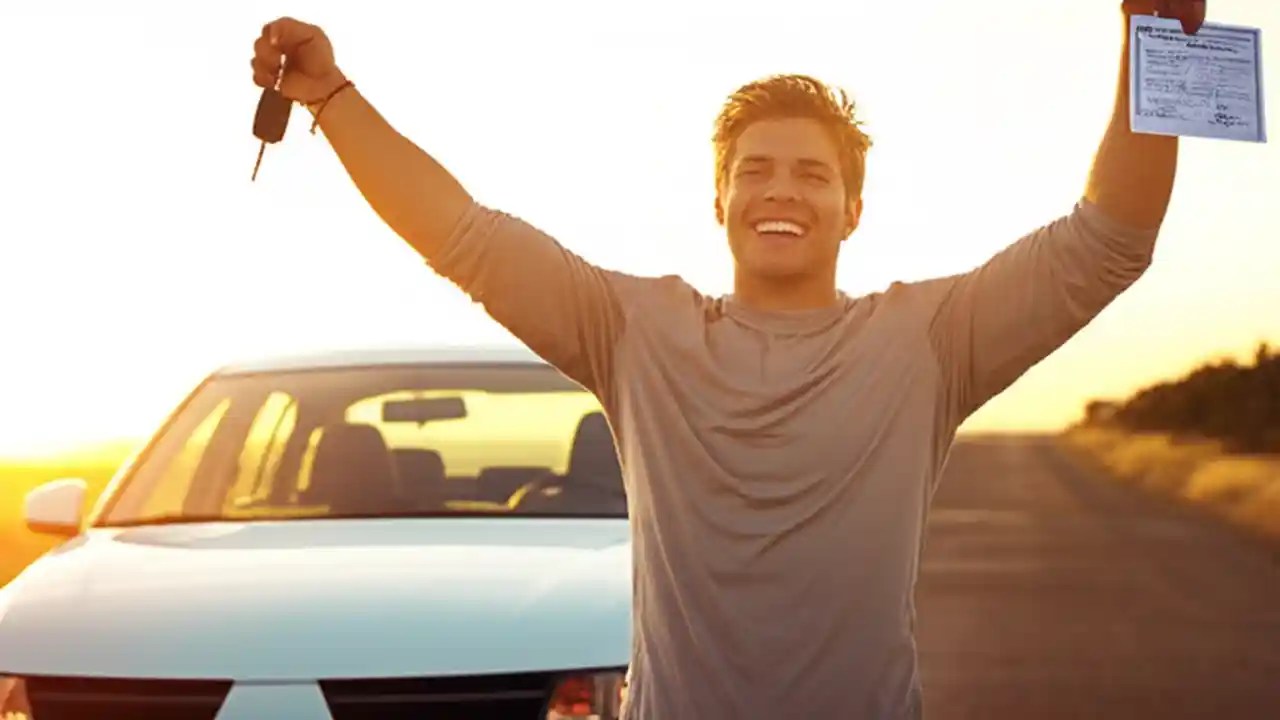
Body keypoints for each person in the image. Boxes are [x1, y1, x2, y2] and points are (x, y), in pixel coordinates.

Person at [249, 1, 1206, 717]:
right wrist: (331, 98)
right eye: (754, 169)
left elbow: (1108, 242)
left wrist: (1150, 43)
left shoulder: (929, 340)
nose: (779, 191)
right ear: (718, 200)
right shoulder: (632, 330)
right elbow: (460, 233)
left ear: (853, 209)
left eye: (811, 173)